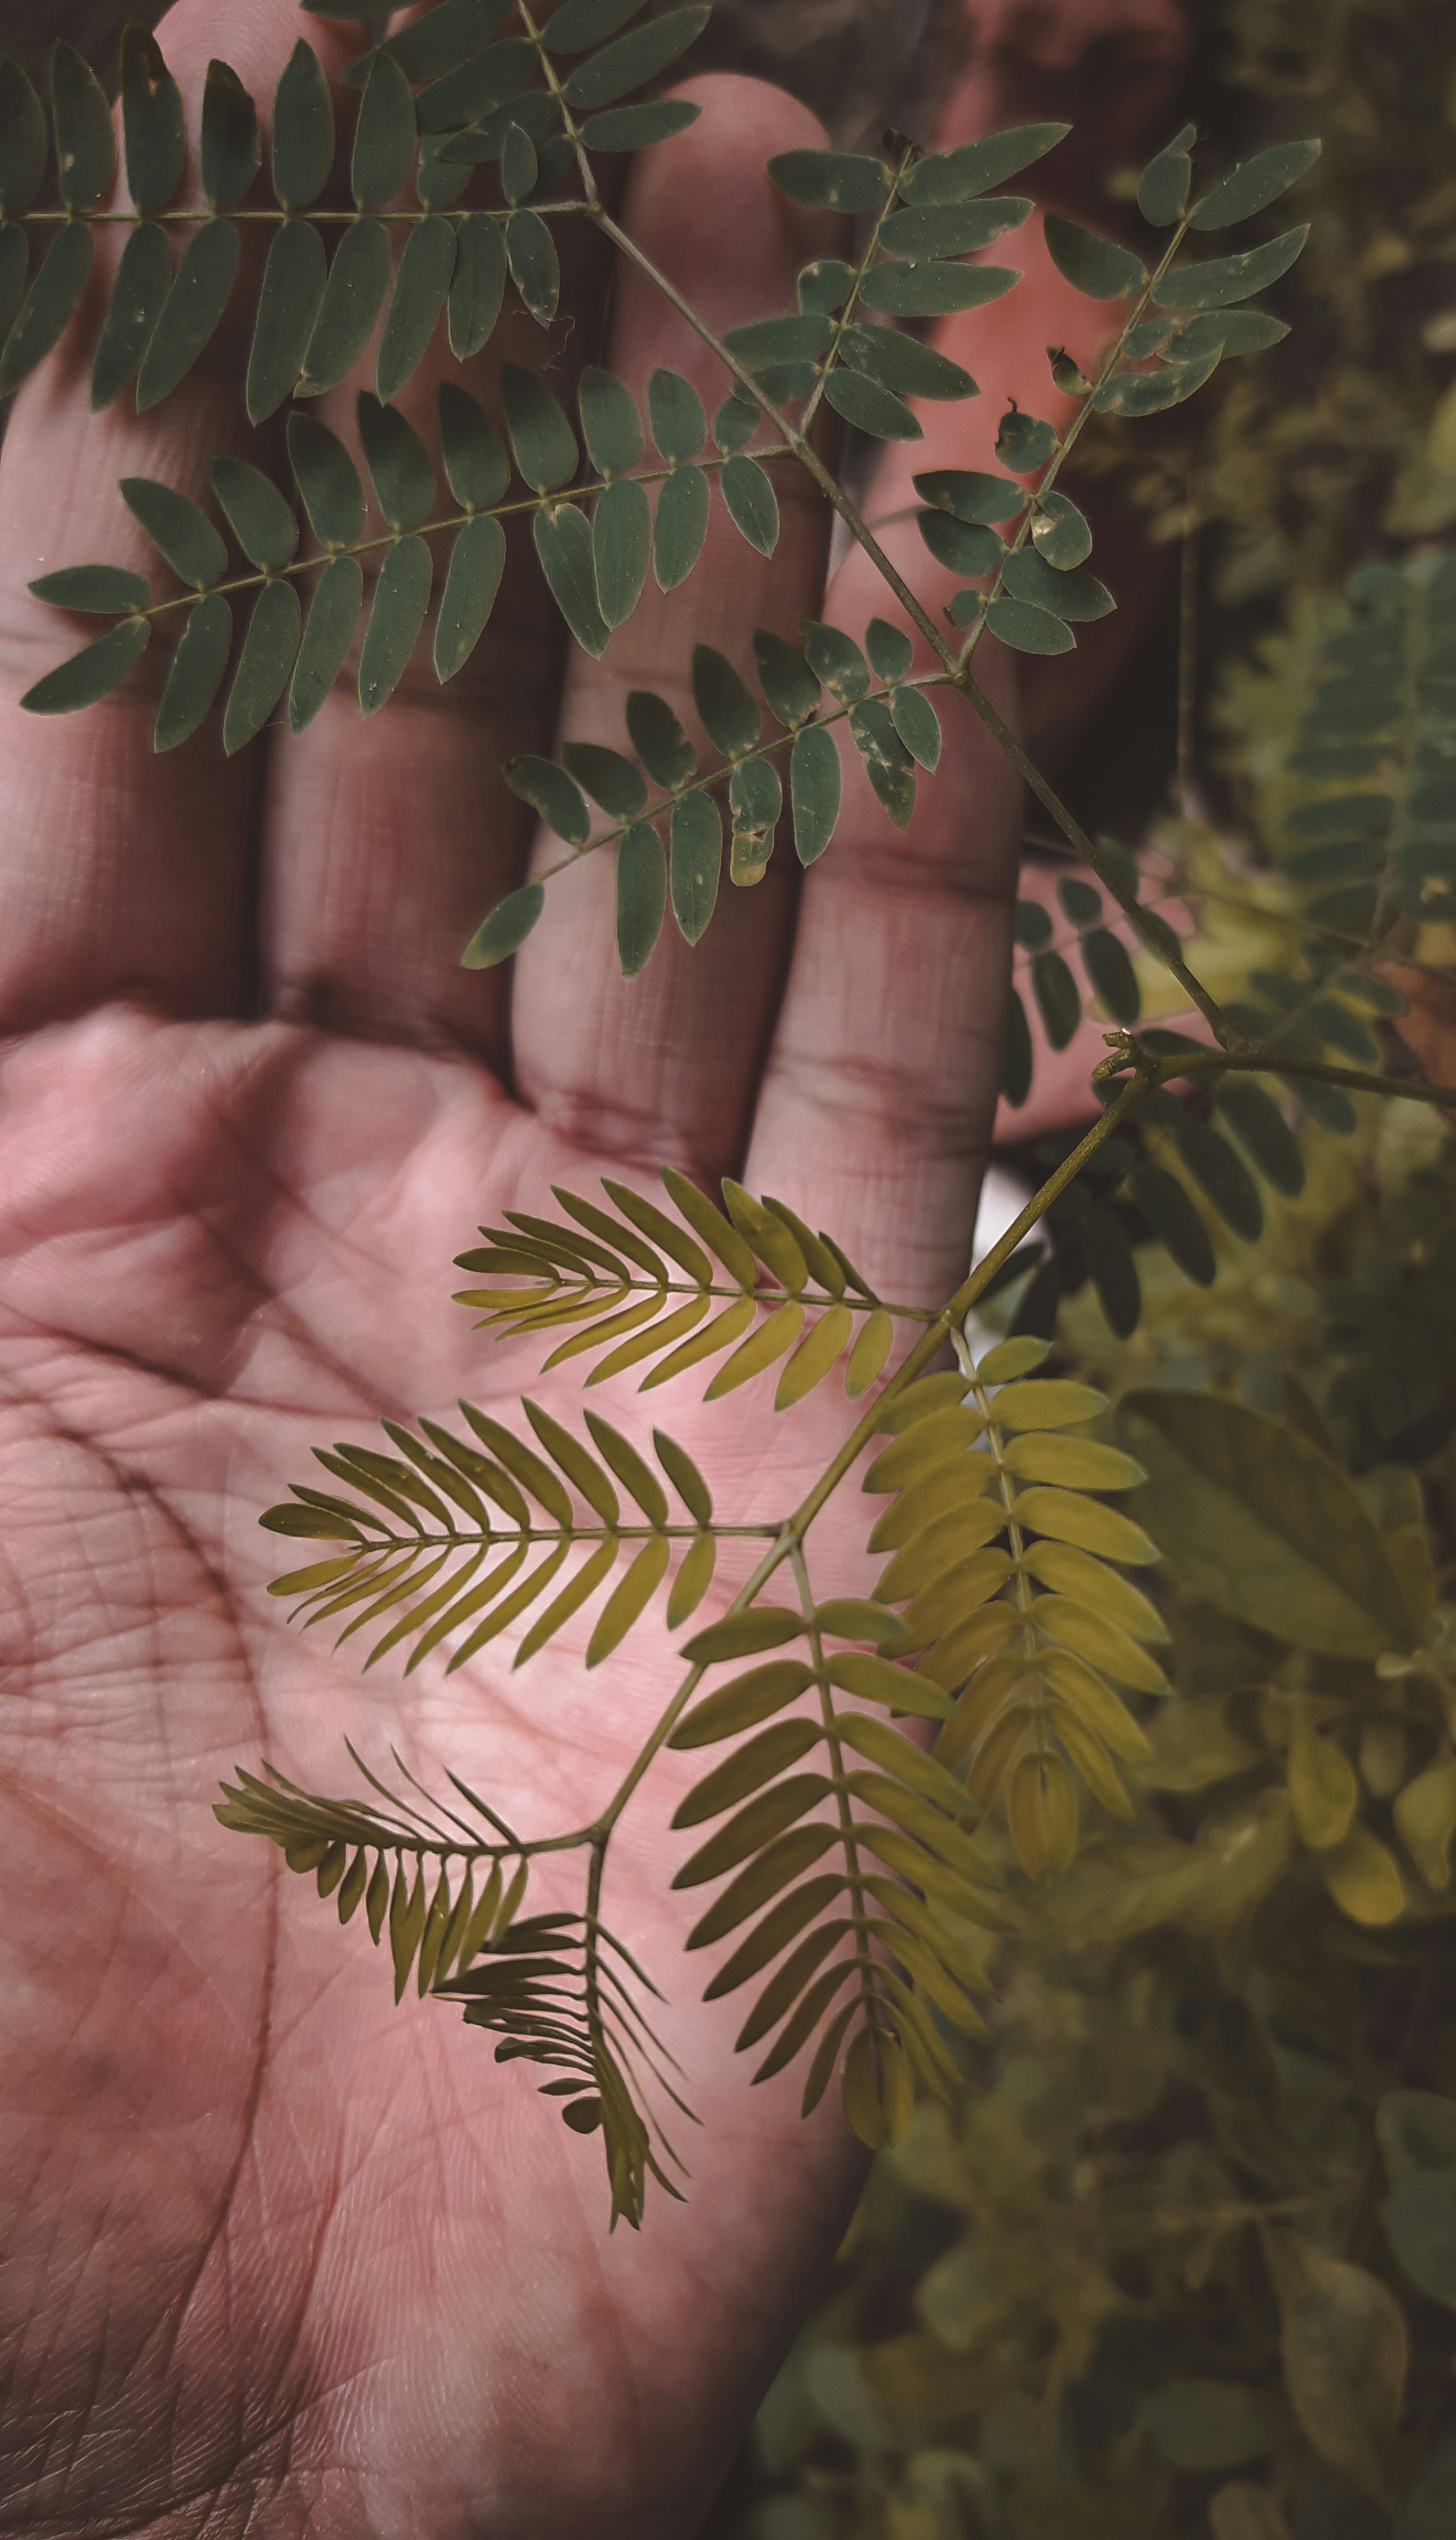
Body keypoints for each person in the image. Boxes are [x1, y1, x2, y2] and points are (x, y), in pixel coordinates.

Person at [0, 0, 1202, 2519]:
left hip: (683, 1280)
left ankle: (1053, 237)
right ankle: (1066, 207)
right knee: (928, 865)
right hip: (792, 1299)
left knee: (898, 828)